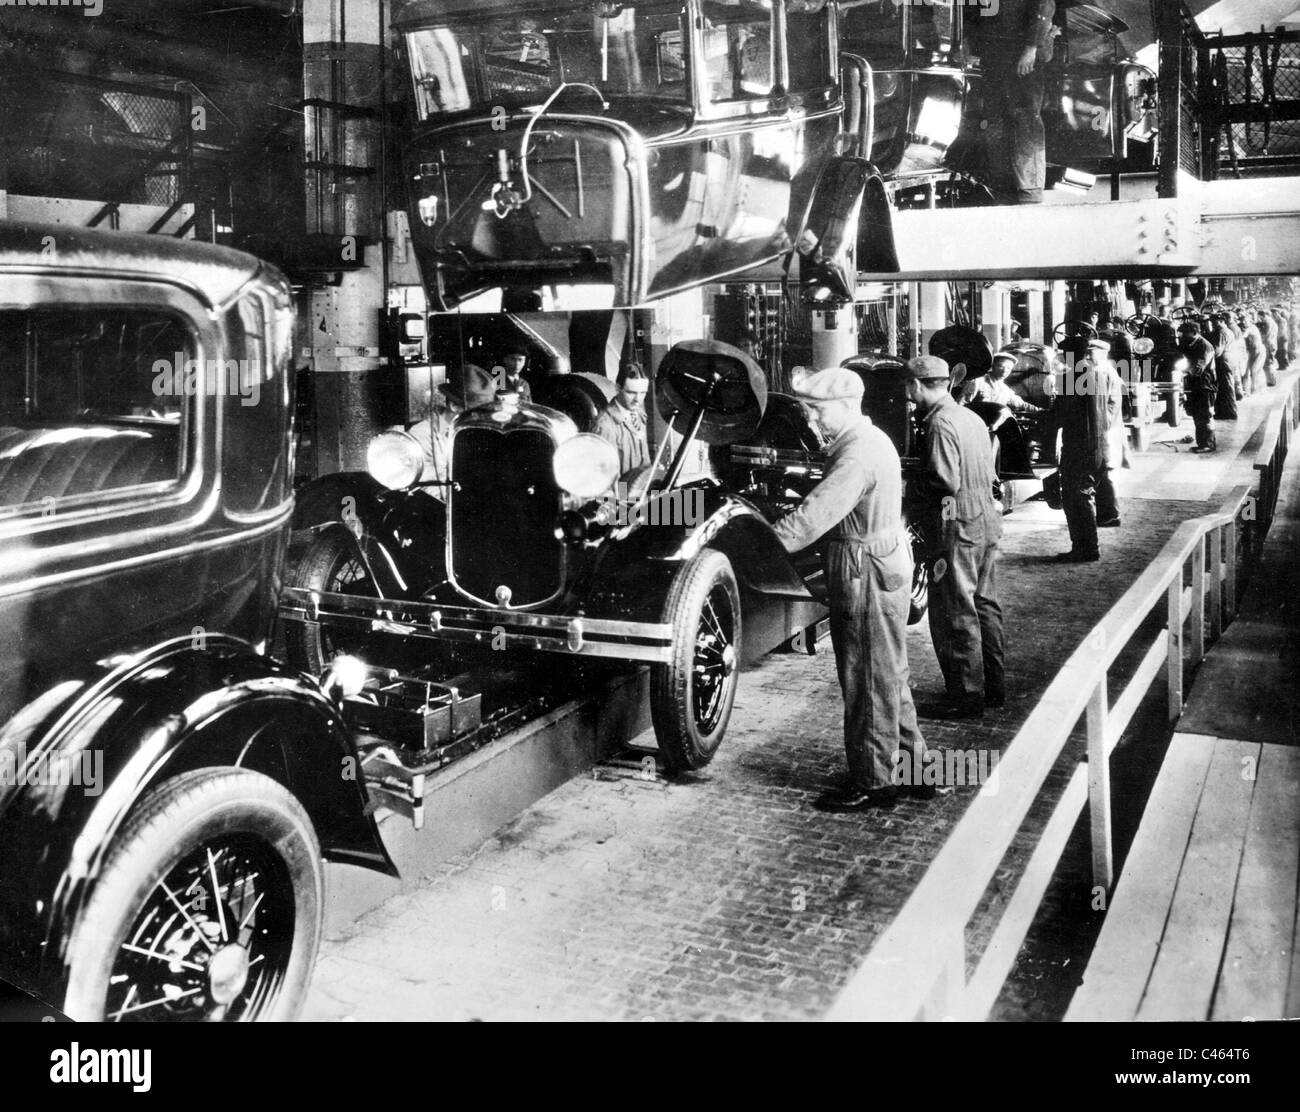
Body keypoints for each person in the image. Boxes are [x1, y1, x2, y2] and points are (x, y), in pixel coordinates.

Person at [771, 368, 930, 811]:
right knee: (889, 671)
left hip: (863, 569)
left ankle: (875, 781)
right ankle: (915, 768)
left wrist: (758, 539)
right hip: (884, 559)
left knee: (865, 675)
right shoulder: (870, 439)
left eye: (818, 411)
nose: (812, 420)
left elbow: (812, 517)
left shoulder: (856, 454)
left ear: (845, 406)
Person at [905, 355, 1006, 720]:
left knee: (953, 608)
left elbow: (944, 482)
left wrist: (910, 488)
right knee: (985, 604)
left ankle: (965, 695)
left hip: (955, 523)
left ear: (917, 386)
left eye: (909, 389)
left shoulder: (941, 424)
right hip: (985, 519)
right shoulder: (971, 417)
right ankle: (993, 687)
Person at [966, 0, 1058, 205]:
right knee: (995, 121)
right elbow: (974, 12)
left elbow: (1043, 7)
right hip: (993, 59)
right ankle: (1002, 187)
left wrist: (1031, 48)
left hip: (1021, 57)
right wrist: (972, 47)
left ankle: (1029, 190)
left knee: (1025, 120)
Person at [1053, 339, 1122, 562]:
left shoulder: (1070, 377)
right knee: (1085, 494)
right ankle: (1087, 547)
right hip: (1098, 444)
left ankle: (1086, 549)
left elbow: (1062, 413)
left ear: (1067, 355)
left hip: (1078, 446)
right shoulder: (1100, 374)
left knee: (1076, 498)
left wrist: (1044, 419)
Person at [404, 363, 497, 499]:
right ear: (454, 406)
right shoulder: (422, 435)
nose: (481, 418)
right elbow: (432, 489)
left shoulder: (478, 432)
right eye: (475, 412)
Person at [593, 362, 651, 479]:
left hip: (642, 489)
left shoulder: (639, 415)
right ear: (618, 388)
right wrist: (626, 495)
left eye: (642, 393)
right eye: (631, 393)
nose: (637, 399)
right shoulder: (606, 426)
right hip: (623, 493)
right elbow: (607, 480)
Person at [1177, 320, 1217, 453]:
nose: (1181, 336)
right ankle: (1202, 443)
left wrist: (1182, 372)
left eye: (1184, 333)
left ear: (1194, 332)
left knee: (1205, 415)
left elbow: (1199, 367)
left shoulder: (1205, 346)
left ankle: (1208, 444)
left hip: (1205, 384)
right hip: (1195, 384)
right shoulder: (1190, 343)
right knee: (1197, 415)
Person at [961, 352, 1044, 414]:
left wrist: (1039, 410)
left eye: (1008, 368)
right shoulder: (978, 382)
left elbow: (1021, 404)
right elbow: (961, 404)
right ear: (993, 366)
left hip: (993, 425)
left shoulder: (1006, 391)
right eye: (1001, 366)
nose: (1004, 371)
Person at [1257, 308, 1279, 387]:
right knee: (1270, 362)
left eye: (1260, 317)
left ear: (1263, 315)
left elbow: (1266, 334)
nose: (1260, 319)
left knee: (1268, 363)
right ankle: (1272, 380)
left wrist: (1260, 340)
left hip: (1268, 344)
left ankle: (1271, 381)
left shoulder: (1267, 322)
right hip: (1272, 344)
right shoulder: (1272, 321)